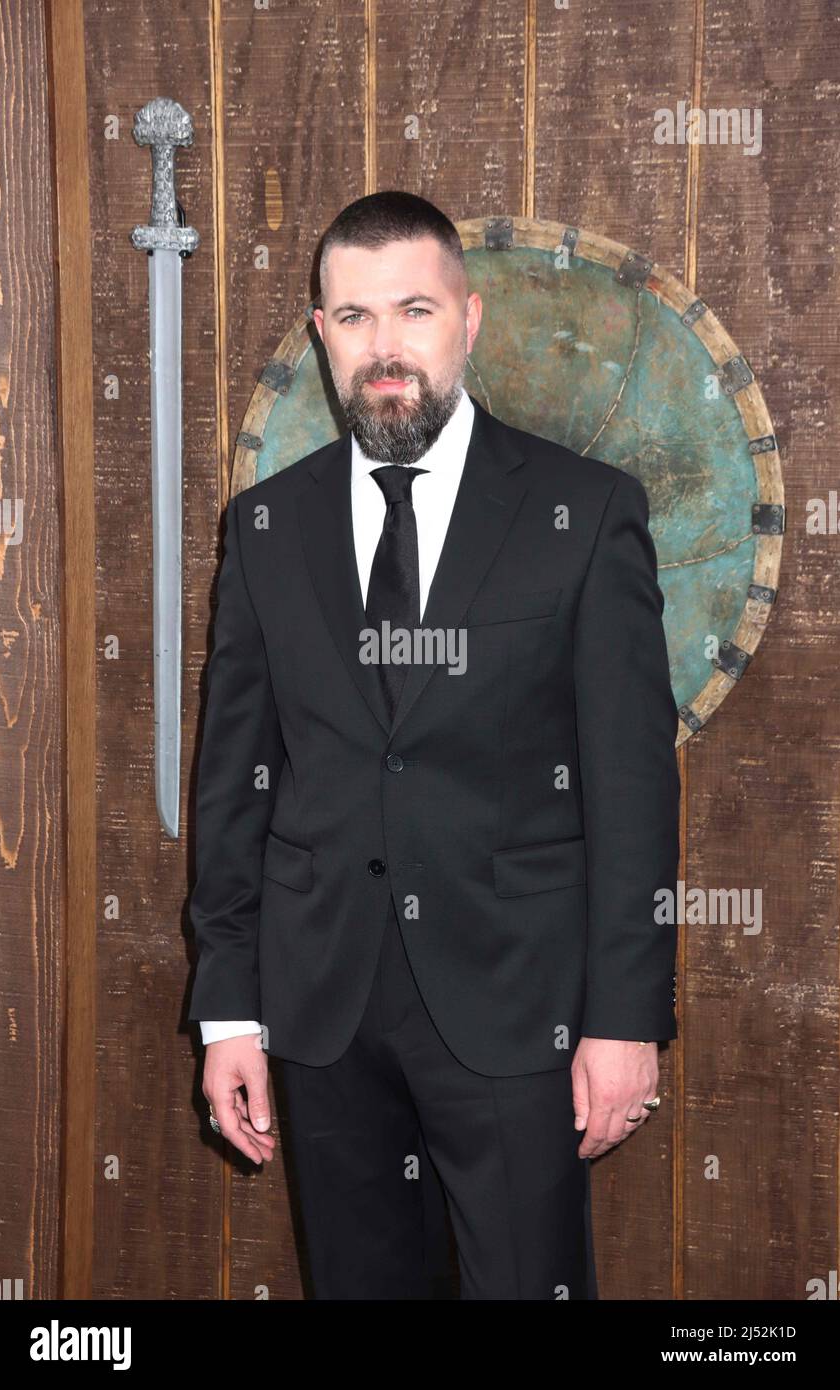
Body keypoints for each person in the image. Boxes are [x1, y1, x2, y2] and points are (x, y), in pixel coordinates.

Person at [188, 190, 681, 1300]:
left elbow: (630, 790)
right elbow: (232, 787)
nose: (384, 347)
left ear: (469, 318)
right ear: (321, 335)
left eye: (412, 309)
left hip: (518, 1007)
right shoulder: (264, 529)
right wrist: (228, 1011)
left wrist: (623, 1019)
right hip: (321, 1012)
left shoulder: (585, 512)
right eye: (354, 318)